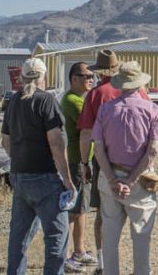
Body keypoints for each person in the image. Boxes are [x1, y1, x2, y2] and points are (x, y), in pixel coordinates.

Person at [91, 61, 158, 275]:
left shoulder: (106, 110)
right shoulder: (153, 109)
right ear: (139, 83)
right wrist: (130, 180)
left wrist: (113, 180)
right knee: (141, 237)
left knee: (110, 237)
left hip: (110, 178)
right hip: (140, 180)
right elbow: (152, 150)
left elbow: (98, 149)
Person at [2, 58, 76, 275]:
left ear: (22, 77)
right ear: (44, 76)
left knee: (19, 238)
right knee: (56, 238)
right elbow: (56, 142)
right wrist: (67, 179)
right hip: (46, 177)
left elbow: (6, 141)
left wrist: (19, 161)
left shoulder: (14, 100)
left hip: (19, 176)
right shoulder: (47, 100)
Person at [78, 50, 149, 273]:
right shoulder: (142, 94)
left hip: (106, 161)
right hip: (139, 163)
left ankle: (104, 264)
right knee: (141, 227)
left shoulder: (96, 94)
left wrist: (84, 162)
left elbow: (87, 133)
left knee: (106, 218)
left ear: (99, 72)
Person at [60, 62, 97, 273]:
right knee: (73, 210)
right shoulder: (74, 103)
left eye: (92, 75)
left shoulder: (73, 99)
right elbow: (91, 126)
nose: (91, 79)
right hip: (77, 161)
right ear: (74, 78)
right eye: (86, 76)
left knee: (81, 208)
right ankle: (65, 256)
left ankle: (79, 250)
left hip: (80, 160)